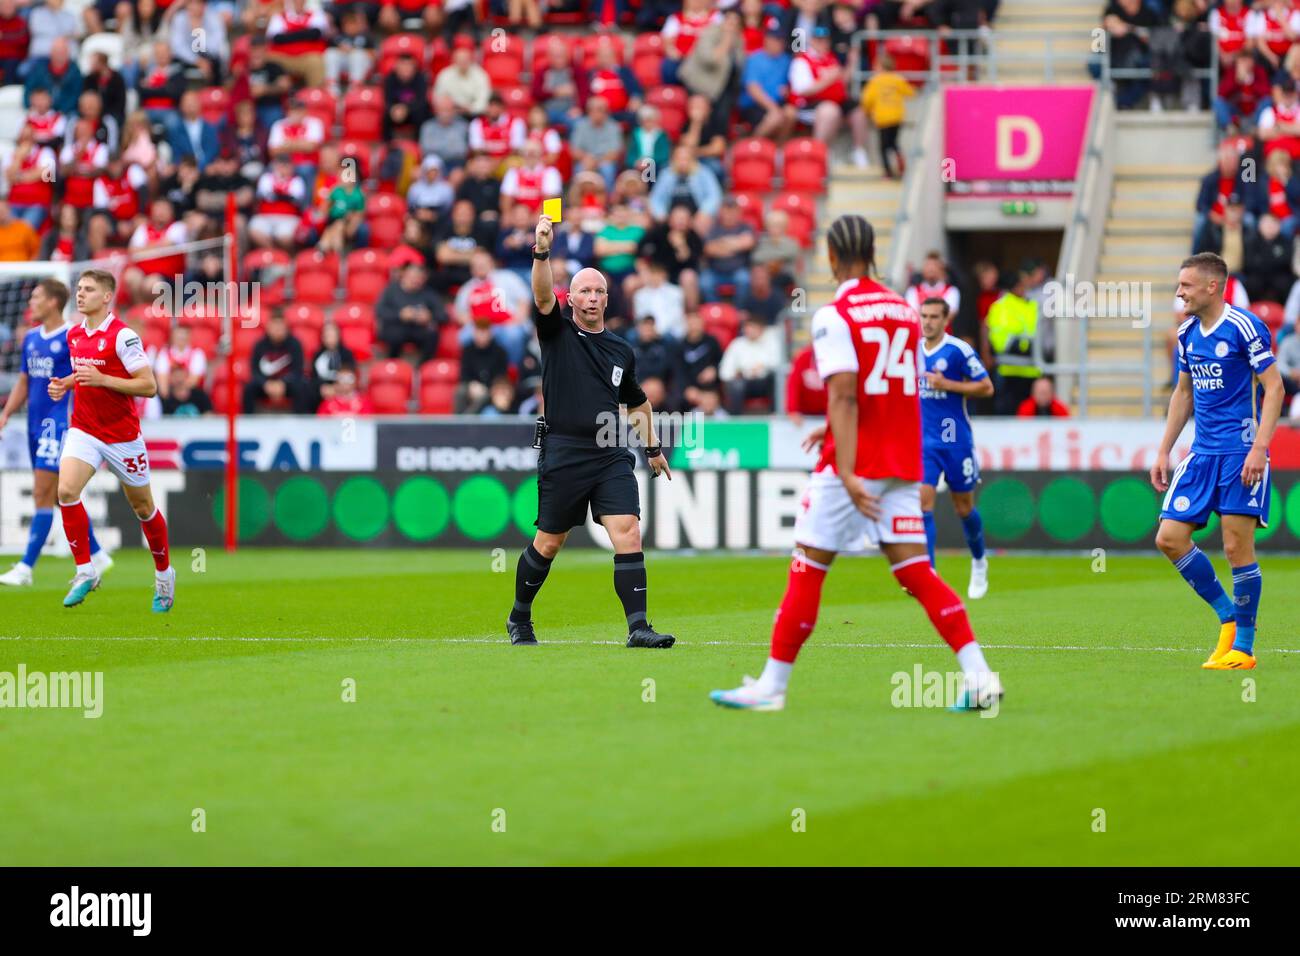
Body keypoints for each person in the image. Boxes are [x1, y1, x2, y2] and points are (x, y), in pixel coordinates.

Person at [711, 214, 1002, 712]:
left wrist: (844, 468)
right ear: (871, 252)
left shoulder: (834, 315)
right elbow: (898, 388)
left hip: (858, 462)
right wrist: (837, 424)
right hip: (901, 456)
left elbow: (845, 396)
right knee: (916, 571)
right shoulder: (905, 311)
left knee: (807, 565)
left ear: (830, 256)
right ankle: (980, 676)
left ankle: (772, 687)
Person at [505, 213, 675, 649]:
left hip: (610, 449)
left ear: (607, 297)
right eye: (585, 290)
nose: (594, 297)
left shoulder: (621, 349)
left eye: (600, 290)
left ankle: (638, 627)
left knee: (628, 530)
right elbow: (542, 295)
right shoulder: (556, 331)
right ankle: (519, 618)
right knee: (549, 542)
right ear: (572, 298)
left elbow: (637, 402)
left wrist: (653, 448)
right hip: (563, 449)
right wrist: (542, 249)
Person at [1151, 252, 1285, 671]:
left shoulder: (1245, 327)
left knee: (1234, 546)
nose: (1179, 293)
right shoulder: (1188, 332)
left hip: (1241, 453)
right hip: (1202, 453)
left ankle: (1243, 648)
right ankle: (1228, 615)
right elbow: (1183, 394)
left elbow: (1275, 388)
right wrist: (1164, 448)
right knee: (1169, 538)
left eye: (1186, 286)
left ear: (1213, 286)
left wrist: (1260, 447)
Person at [48, 270, 174, 611]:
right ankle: (85, 570)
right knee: (66, 491)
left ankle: (164, 575)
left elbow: (148, 385)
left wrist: (103, 379)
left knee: (143, 508)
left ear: (106, 297)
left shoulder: (124, 337)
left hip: (122, 437)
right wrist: (68, 383)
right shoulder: (75, 334)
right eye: (79, 288)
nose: (80, 294)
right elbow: (88, 371)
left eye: (88, 289)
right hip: (84, 429)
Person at [0, 280, 113, 587]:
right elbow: (24, 380)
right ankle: (99, 556)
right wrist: (7, 412)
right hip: (35, 424)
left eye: (36, 298)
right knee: (61, 496)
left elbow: (85, 373)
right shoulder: (32, 338)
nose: (31, 304)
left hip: (59, 423)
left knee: (43, 492)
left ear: (52, 302)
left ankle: (25, 568)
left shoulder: (70, 337)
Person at [918, 297, 994, 596]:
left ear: (944, 319)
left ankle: (978, 561)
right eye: (923, 316)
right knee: (922, 501)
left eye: (934, 316)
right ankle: (930, 573)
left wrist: (948, 385)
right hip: (924, 443)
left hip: (956, 441)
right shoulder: (910, 351)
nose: (927, 322)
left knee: (963, 507)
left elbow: (987, 387)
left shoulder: (959, 351)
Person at [986, 263, 1040, 414]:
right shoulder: (1000, 306)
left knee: (1027, 415)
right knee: (1007, 416)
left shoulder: (1032, 305)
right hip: (1008, 368)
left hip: (1030, 369)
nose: (1025, 288)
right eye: (1022, 284)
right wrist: (1023, 344)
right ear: (1015, 286)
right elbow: (999, 338)